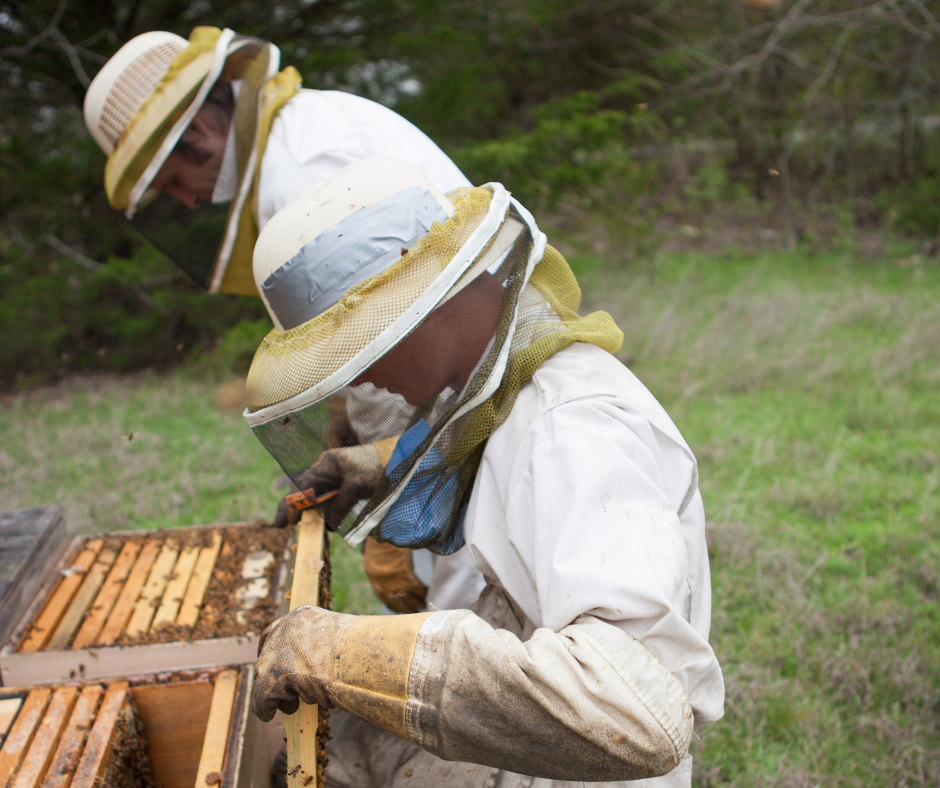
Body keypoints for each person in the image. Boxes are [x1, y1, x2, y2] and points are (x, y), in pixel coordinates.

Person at [244, 158, 725, 787]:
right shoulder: (519, 390)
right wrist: (383, 465)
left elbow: (632, 711)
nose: (365, 379)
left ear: (429, 304)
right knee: (340, 756)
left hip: (577, 773)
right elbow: (492, 448)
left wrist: (341, 653)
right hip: (537, 737)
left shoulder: (572, 431)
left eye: (364, 345)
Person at [83, 26, 483, 613]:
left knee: (473, 618)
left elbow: (389, 341)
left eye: (174, 183)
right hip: (455, 396)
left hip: (468, 410)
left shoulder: (302, 171)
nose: (188, 201)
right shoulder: (298, 138)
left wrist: (390, 507)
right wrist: (342, 439)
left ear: (197, 133)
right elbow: (353, 333)